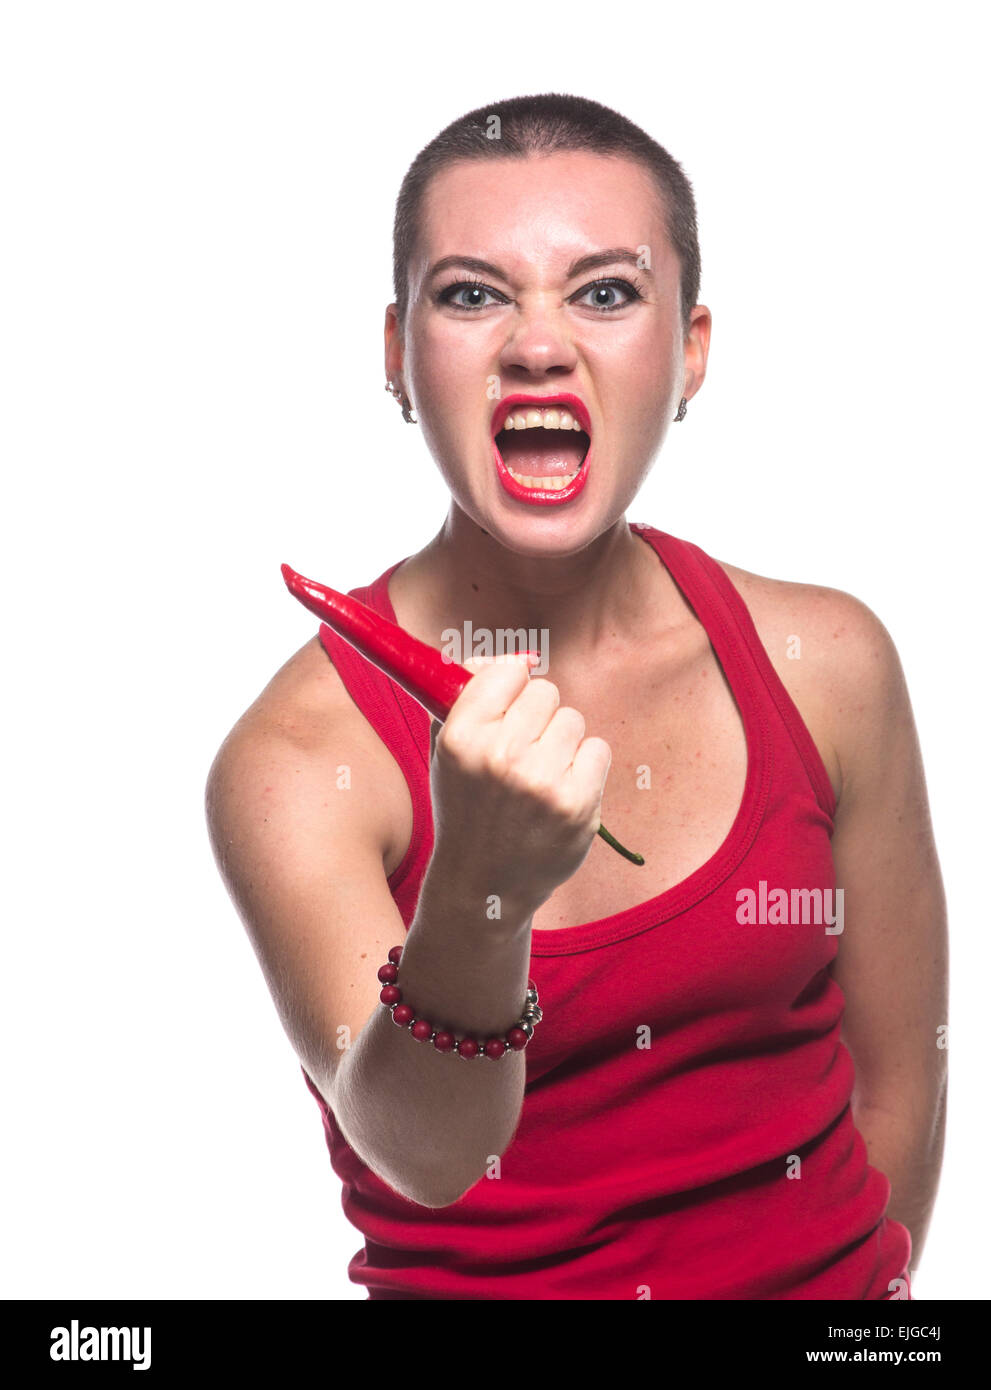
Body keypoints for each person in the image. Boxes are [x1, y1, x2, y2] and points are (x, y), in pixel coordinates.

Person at [205, 93, 947, 1300]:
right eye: (471, 294)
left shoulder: (831, 662)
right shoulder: (297, 756)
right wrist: (481, 893)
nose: (537, 344)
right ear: (396, 353)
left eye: (604, 291)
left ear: (691, 349)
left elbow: (898, 1082)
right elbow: (425, 1153)